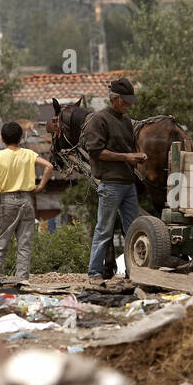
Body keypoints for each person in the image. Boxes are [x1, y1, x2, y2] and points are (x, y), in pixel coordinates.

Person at [83, 77, 146, 277]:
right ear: (116, 99)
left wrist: (136, 157)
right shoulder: (98, 119)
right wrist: (127, 157)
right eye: (126, 101)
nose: (128, 105)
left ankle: (133, 272)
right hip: (110, 184)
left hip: (128, 183)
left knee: (133, 231)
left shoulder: (126, 121)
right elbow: (96, 152)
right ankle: (94, 272)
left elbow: (127, 148)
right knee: (104, 230)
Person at [0, 121, 52, 288]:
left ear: (1, 139)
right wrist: (40, 186)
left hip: (7, 201)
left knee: (0, 242)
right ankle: (22, 280)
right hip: (27, 201)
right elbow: (49, 166)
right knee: (24, 243)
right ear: (21, 138)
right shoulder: (29, 154)